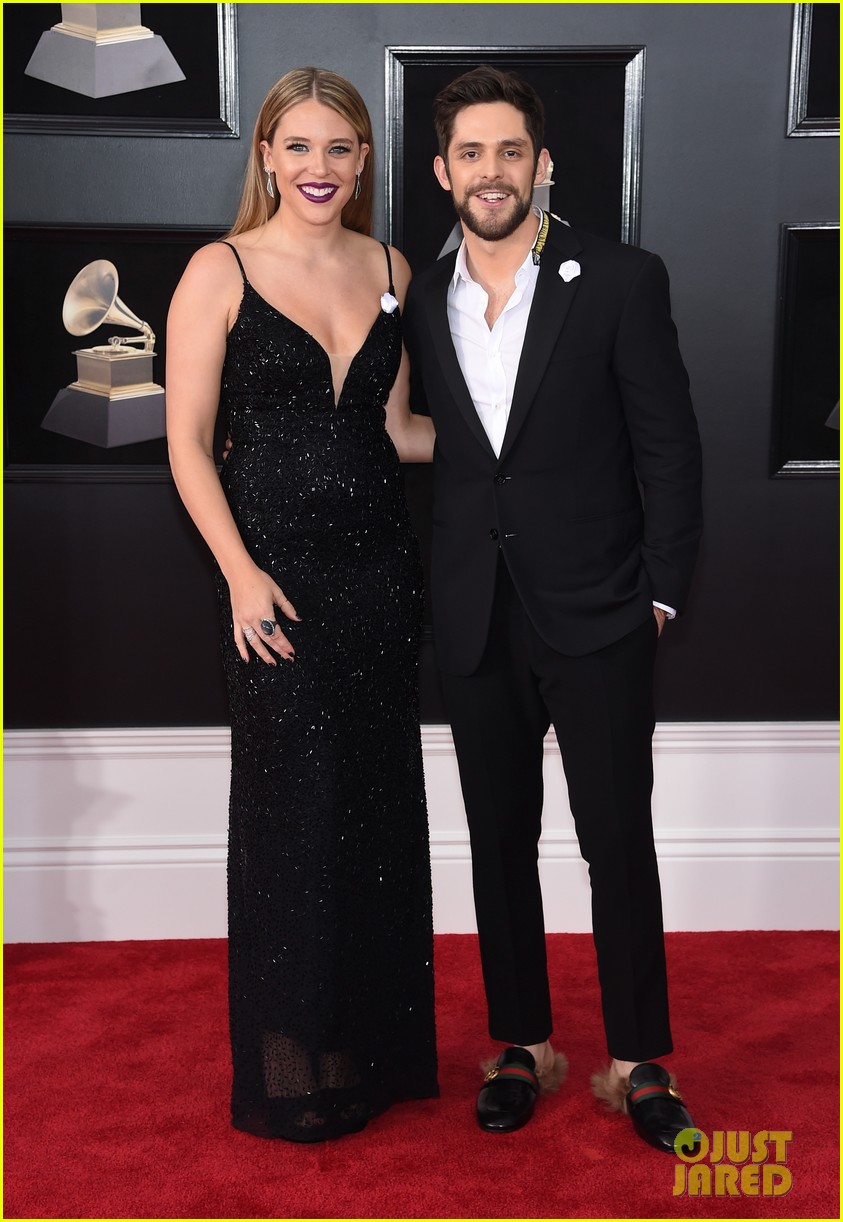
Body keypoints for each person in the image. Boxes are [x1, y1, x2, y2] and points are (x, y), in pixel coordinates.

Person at [401, 65, 703, 1152]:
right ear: (443, 173)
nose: (492, 172)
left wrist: (660, 592)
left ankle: (638, 1060)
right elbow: (438, 446)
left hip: (601, 610)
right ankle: (522, 1044)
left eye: (510, 152)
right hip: (476, 612)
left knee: (616, 835)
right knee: (496, 838)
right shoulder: (419, 298)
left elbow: (668, 443)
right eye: (471, 154)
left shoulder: (620, 279)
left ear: (544, 164)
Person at [166, 67, 437, 1142]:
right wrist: (238, 571)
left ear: (363, 161)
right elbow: (185, 445)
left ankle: (370, 1055)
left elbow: (402, 430)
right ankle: (294, 1072)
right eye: (299, 147)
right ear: (267, 157)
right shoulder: (217, 269)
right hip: (272, 580)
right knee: (295, 824)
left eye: (340, 148)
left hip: (379, 578)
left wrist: (529, 446)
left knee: (373, 817)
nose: (319, 168)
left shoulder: (392, 268)